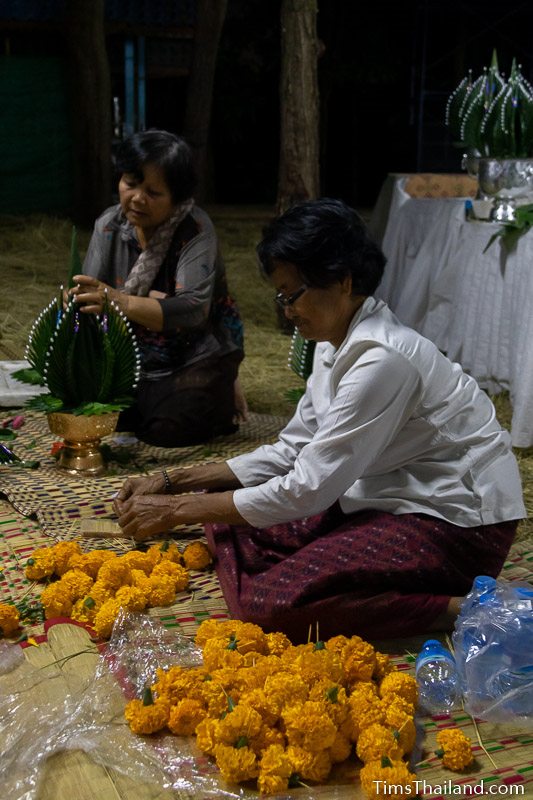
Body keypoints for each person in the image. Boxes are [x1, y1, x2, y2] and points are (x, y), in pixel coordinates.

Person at [113, 198, 525, 642]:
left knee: (268, 606)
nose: (286, 310)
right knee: (224, 505)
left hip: (456, 523)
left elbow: (308, 488)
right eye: (280, 295)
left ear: (343, 281)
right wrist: (175, 482)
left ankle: (454, 608)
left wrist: (175, 511)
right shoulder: (335, 343)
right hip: (391, 494)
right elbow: (293, 450)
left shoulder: (382, 359)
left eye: (293, 294)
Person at [71, 129, 246, 447]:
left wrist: (118, 300)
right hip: (130, 357)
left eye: (154, 192)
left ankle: (218, 391)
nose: (137, 198)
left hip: (193, 357)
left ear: (178, 198)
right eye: (131, 183)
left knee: (168, 430)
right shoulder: (109, 226)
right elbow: (89, 297)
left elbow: (192, 310)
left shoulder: (195, 230)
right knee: (98, 420)